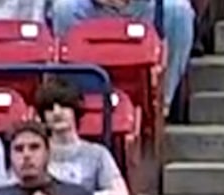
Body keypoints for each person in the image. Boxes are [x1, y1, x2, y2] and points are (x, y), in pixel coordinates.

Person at [51, 0, 196, 115]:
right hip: (92, 7)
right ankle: (80, 96)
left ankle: (161, 101)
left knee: (179, 10)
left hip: (142, 7)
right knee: (63, 7)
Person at [34, 77, 132, 195]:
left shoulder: (97, 154)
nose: (57, 113)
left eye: (63, 105)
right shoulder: (34, 153)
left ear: (75, 109)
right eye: (49, 108)